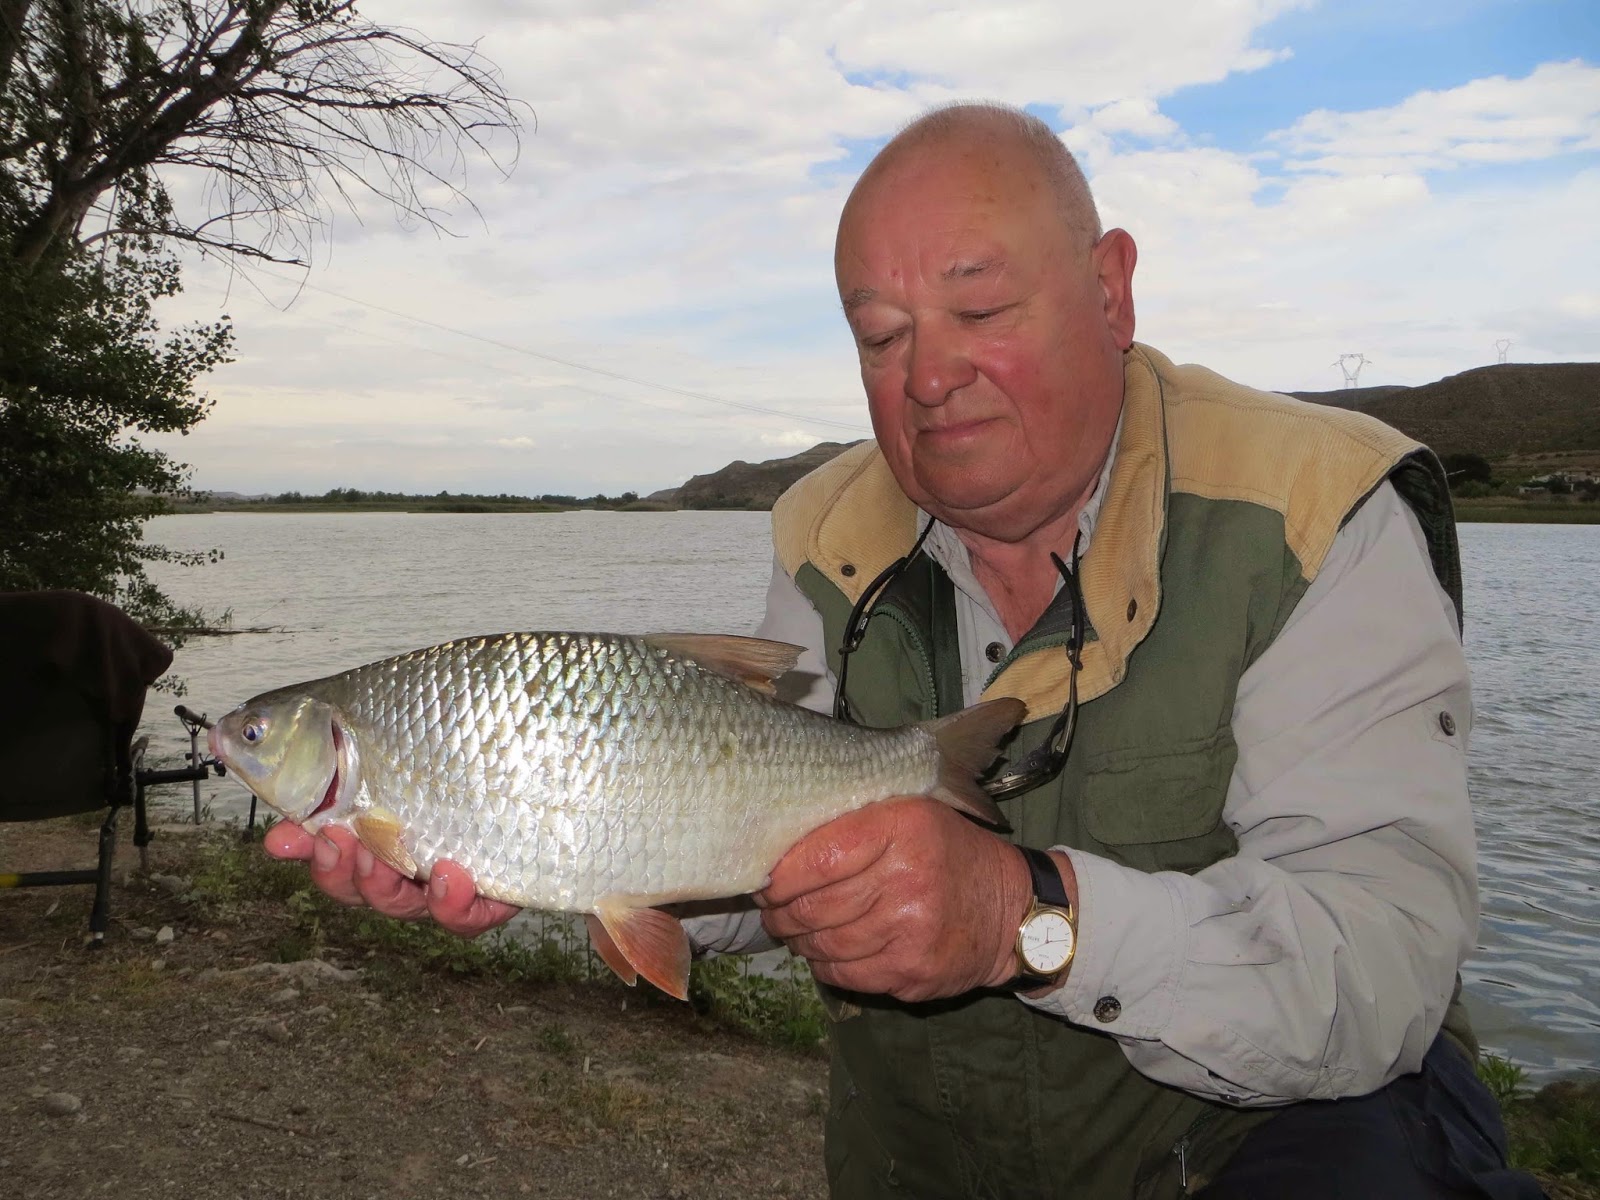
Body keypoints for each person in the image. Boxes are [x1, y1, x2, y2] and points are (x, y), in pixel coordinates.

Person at [266, 104, 1544, 1198]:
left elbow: (1379, 963)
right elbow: (744, 851)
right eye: (880, 337)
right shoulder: (828, 531)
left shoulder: (1319, 509)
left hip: (1249, 1148)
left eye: (977, 308)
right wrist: (544, 850)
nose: (927, 377)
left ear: (1110, 290)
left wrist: (1027, 920)